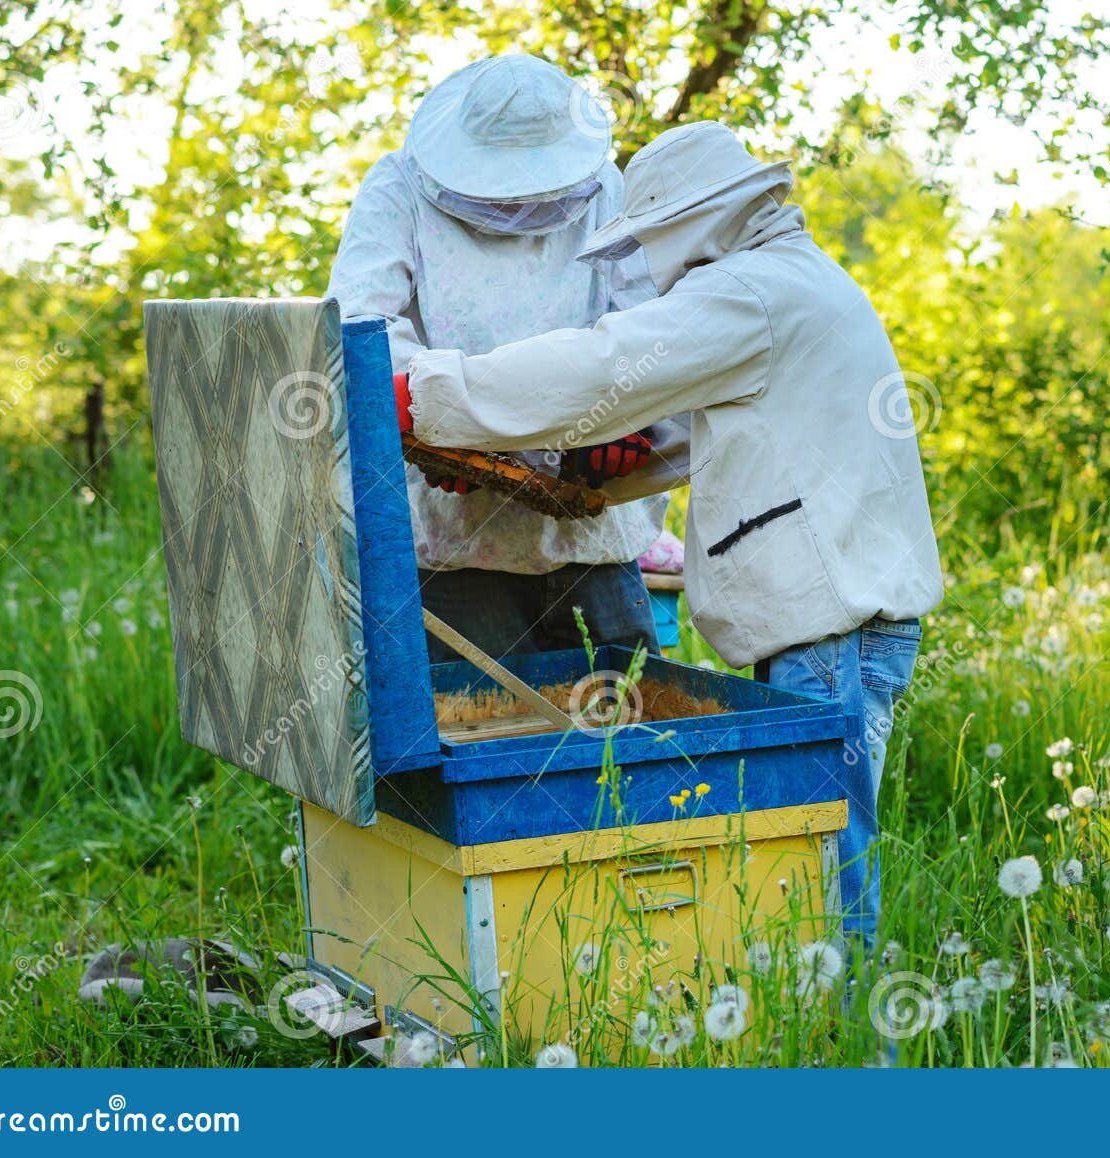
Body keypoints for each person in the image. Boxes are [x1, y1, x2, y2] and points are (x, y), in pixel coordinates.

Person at [395, 121, 944, 943]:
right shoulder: (794, 284)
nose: (649, 262)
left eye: (651, 239)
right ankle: (831, 1037)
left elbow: (605, 364)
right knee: (813, 847)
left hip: (835, 633)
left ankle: (850, 1047)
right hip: (841, 628)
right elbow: (690, 436)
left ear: (697, 219)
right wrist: (573, 470)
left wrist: (431, 397)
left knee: (822, 858)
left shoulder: (747, 292)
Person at [327, 54, 664, 660]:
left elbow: (645, 314)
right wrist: (434, 420)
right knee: (484, 732)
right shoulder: (398, 186)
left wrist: (627, 408)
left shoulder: (606, 185)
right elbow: (360, 321)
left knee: (626, 732)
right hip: (454, 538)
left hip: (593, 530)